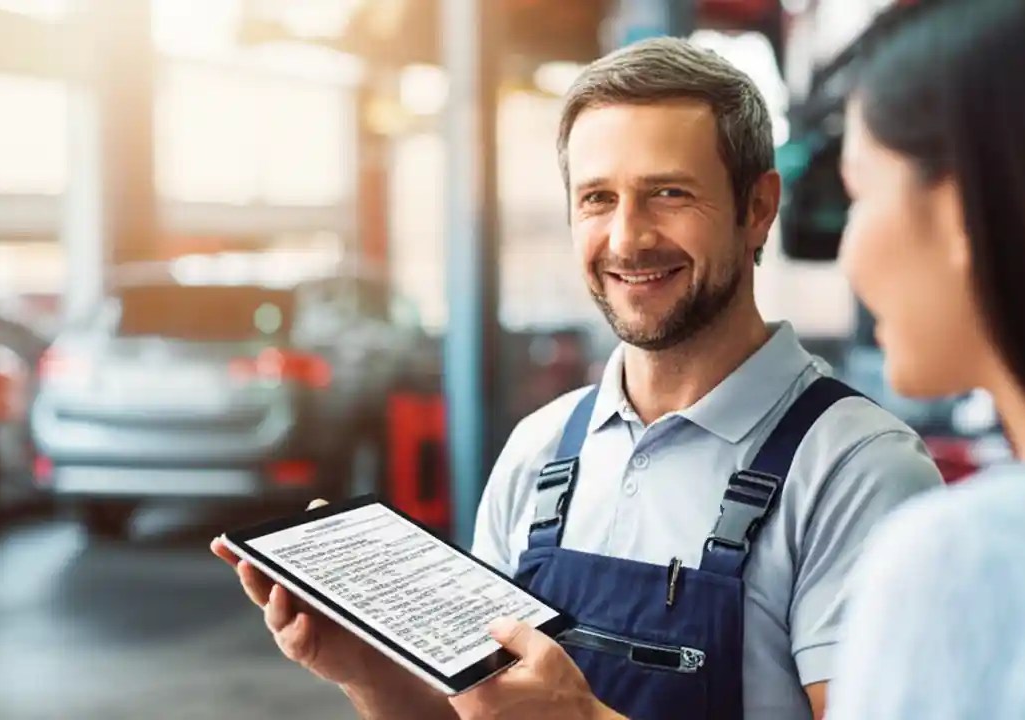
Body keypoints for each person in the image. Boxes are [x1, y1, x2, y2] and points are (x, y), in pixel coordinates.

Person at [443, 1, 1025, 718]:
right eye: (595, 198)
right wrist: (369, 675)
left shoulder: (958, 538)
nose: (850, 253)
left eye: (861, 191)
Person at [212, 37, 942, 720]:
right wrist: (368, 671)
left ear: (757, 209)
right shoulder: (539, 452)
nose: (627, 238)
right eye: (598, 198)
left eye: (669, 194)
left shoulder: (858, 471)